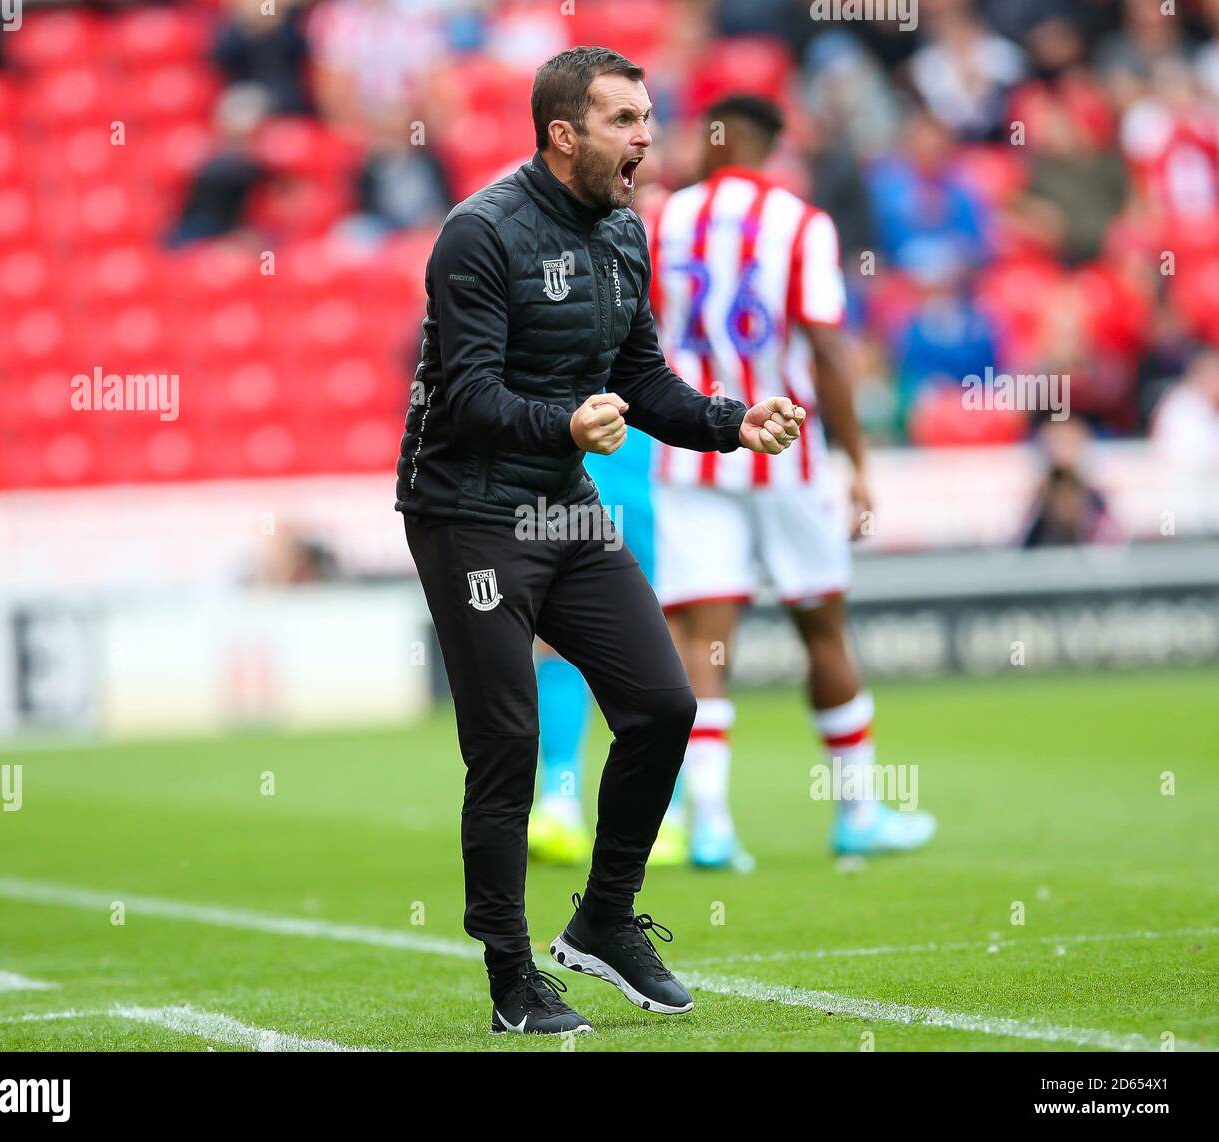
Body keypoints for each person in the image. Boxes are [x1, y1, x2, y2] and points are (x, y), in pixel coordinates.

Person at [395, 48, 806, 1035]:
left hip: (561, 502)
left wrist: (728, 419)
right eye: (624, 119)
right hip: (467, 510)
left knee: (664, 704)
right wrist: (565, 426)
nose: (647, 136)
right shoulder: (477, 234)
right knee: (507, 744)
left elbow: (645, 377)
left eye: (649, 117)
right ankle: (510, 979)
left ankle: (606, 919)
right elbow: (471, 395)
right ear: (562, 135)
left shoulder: (626, 232)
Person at [648, 95, 937, 865]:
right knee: (822, 629)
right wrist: (858, 461)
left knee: (704, 642)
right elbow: (829, 349)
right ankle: (858, 814)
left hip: (690, 450)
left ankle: (709, 822)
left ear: (717, 142)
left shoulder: (664, 219)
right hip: (786, 448)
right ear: (771, 147)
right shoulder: (801, 223)